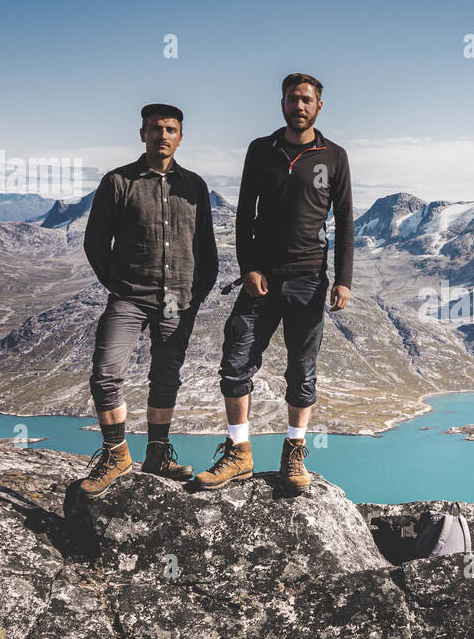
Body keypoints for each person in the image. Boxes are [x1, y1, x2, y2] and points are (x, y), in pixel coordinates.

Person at [194, 74, 353, 493]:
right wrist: (248, 268)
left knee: (302, 371)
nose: (298, 105)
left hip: (308, 280)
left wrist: (344, 280)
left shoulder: (333, 157)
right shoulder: (260, 151)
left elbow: (345, 222)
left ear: (319, 107)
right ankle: (239, 452)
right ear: (281, 103)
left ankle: (294, 454)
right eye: (291, 99)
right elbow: (245, 213)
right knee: (236, 362)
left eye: (306, 100)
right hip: (261, 279)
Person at [78, 103, 219, 497]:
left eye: (170, 129)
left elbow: (206, 249)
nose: (163, 136)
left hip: (178, 300)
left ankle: (157, 452)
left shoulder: (194, 186)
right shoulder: (118, 182)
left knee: (166, 377)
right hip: (130, 297)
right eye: (155, 129)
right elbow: (95, 242)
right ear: (142, 133)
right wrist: (119, 285)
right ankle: (116, 453)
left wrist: (195, 295)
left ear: (180, 136)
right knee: (106, 373)